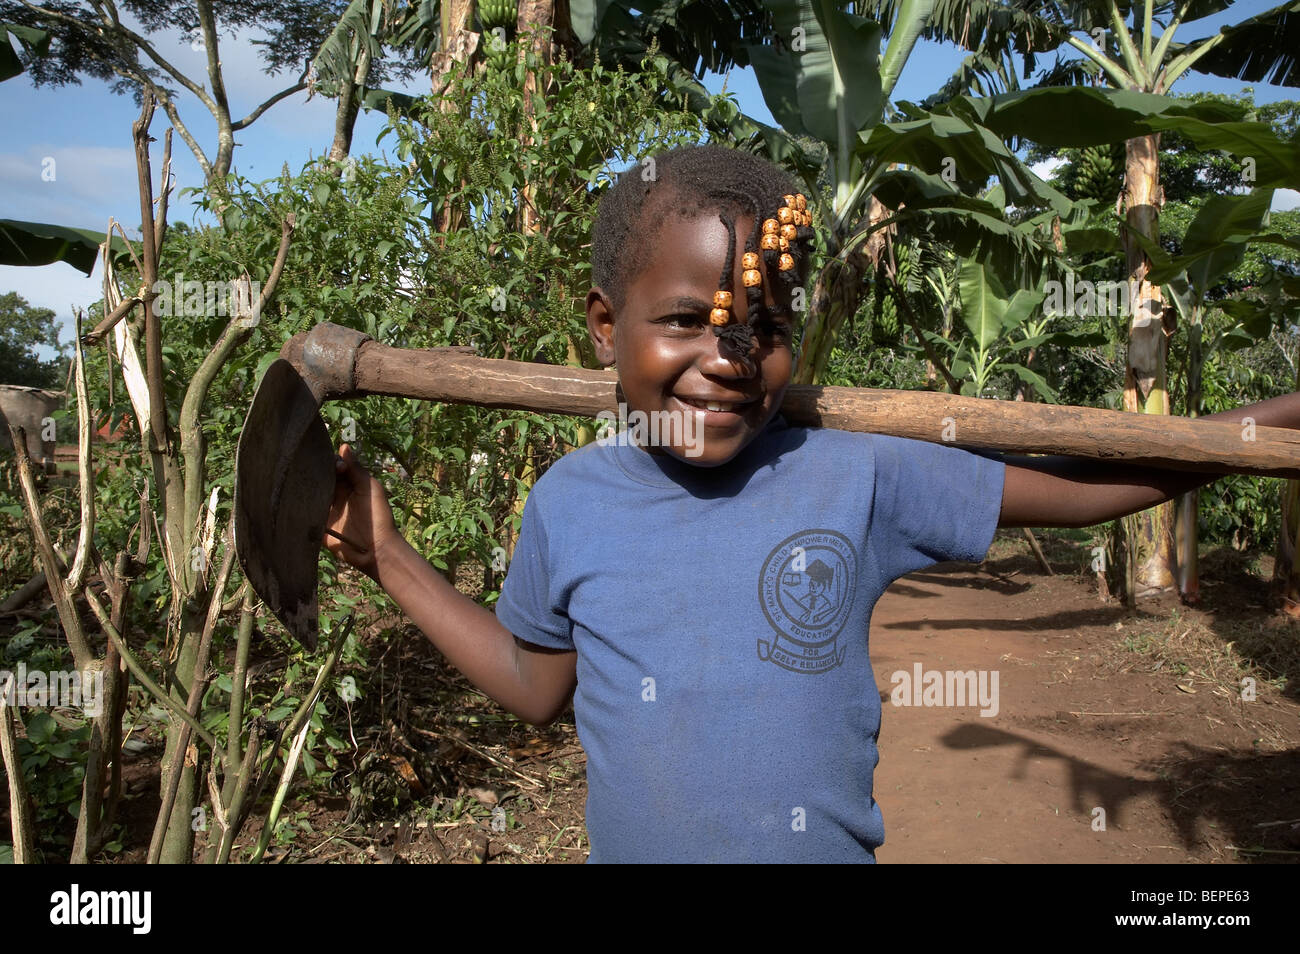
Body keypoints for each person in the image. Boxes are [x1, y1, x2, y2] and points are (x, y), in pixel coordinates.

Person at [324, 144, 1300, 862]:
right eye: (682, 322)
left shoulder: (851, 471)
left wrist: (1261, 430)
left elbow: (1089, 485)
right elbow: (538, 687)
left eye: (764, 325)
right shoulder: (569, 503)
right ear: (602, 325)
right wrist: (387, 556)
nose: (728, 360)